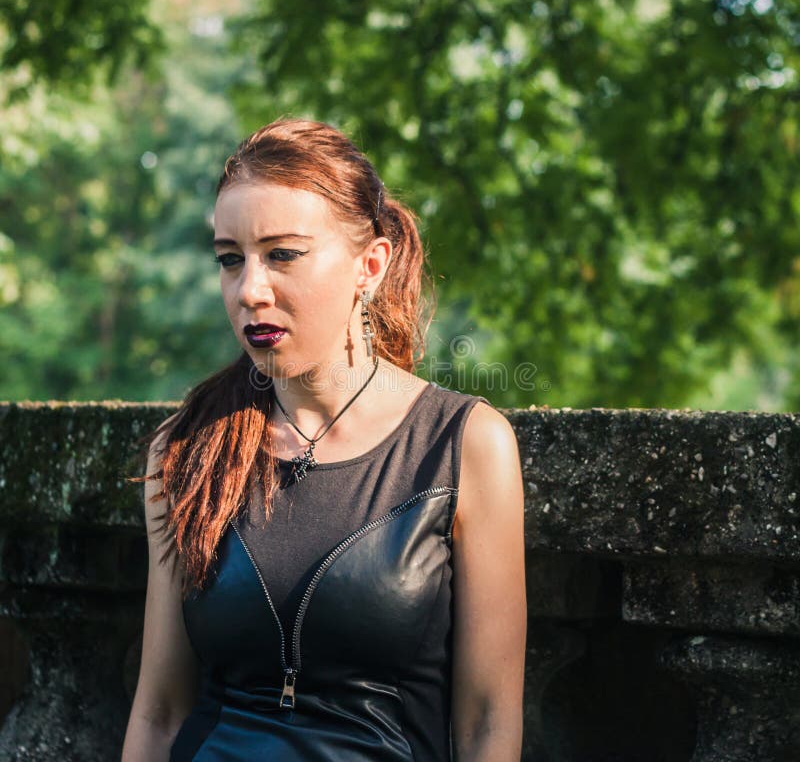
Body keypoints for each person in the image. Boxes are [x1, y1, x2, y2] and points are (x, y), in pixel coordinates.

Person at [121, 118, 526, 761]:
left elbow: (487, 725)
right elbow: (161, 711)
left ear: (370, 264)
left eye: (282, 254)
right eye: (231, 259)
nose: (250, 289)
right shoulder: (187, 449)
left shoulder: (466, 443)